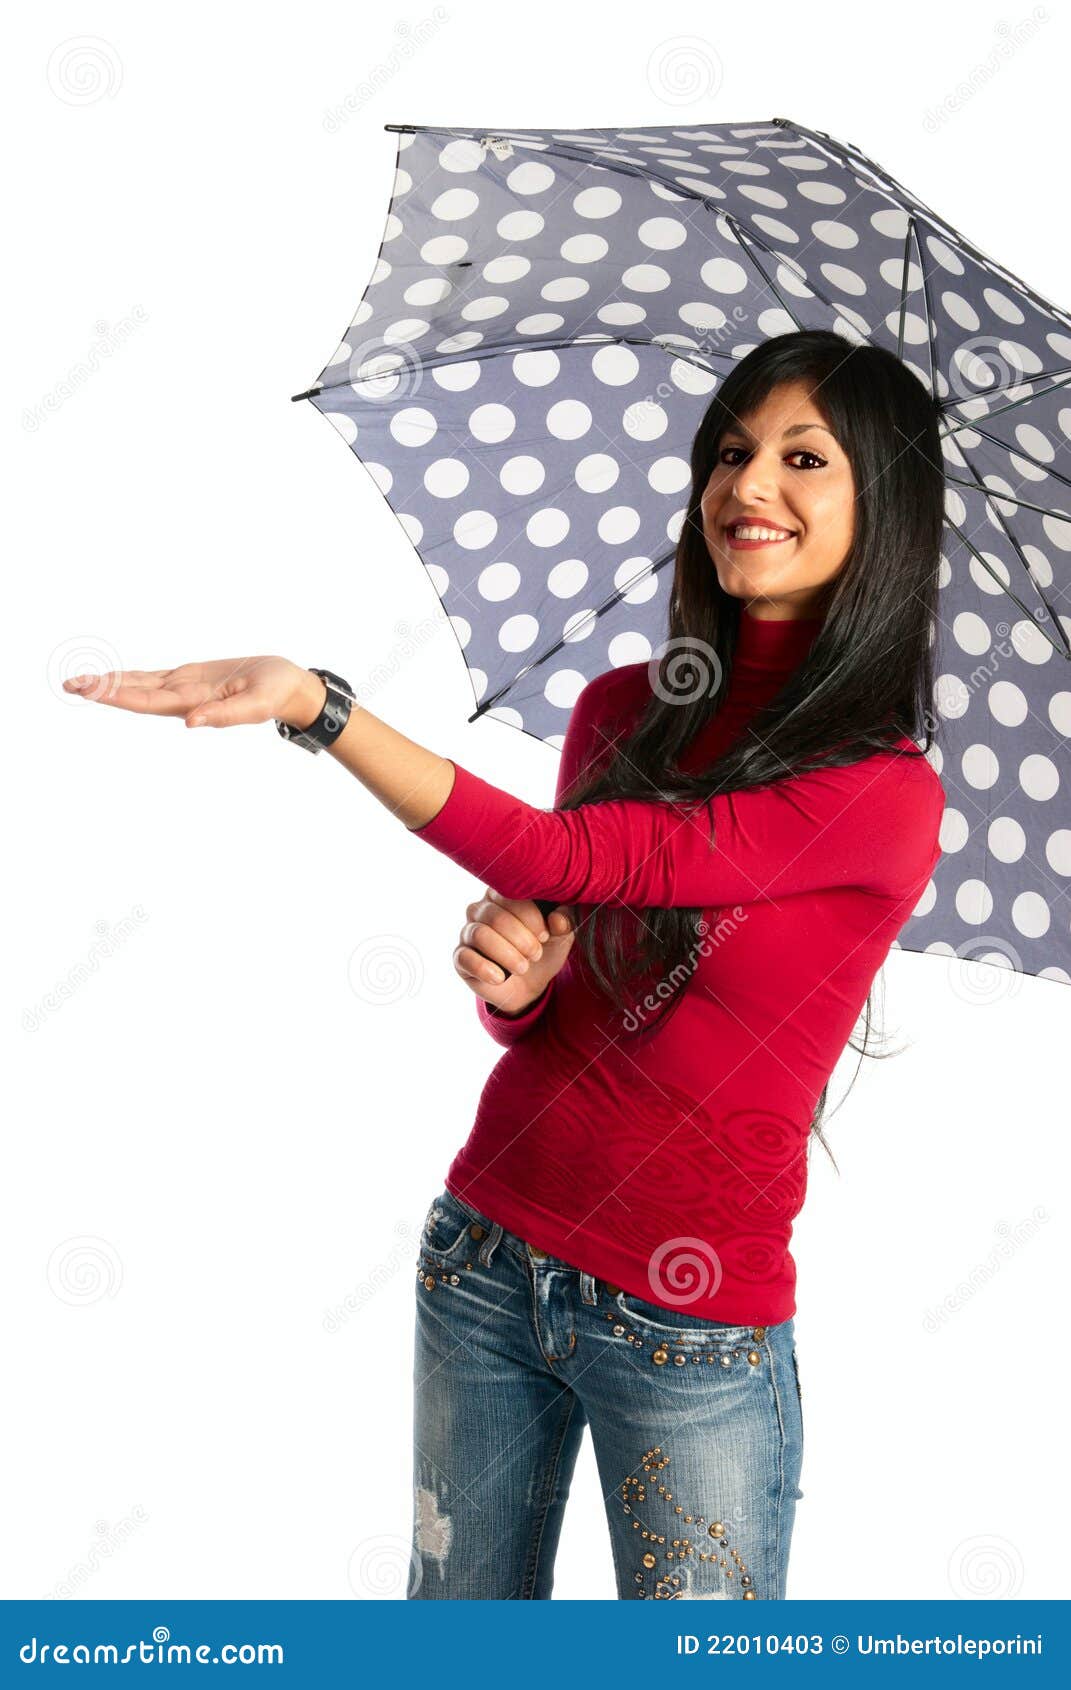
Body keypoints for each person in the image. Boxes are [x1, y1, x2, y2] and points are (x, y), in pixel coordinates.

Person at [63, 329, 946, 1600]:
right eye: (733, 451)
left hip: (689, 1329)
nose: (749, 487)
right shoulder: (620, 712)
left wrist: (321, 705)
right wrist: (516, 990)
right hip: (487, 1258)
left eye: (804, 458)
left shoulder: (880, 793)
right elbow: (564, 979)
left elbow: (553, 848)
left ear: (888, 507)